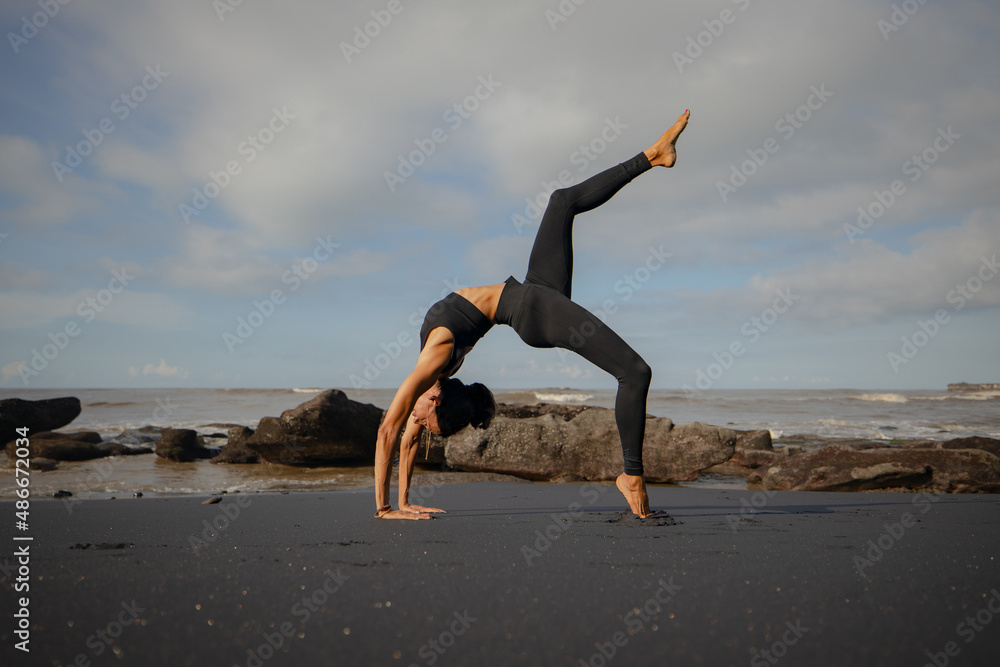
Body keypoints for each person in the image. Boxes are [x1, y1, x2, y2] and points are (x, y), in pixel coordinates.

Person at [373, 110, 691, 520]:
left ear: (433, 400)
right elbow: (407, 438)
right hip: (531, 311)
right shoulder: (436, 377)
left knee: (562, 201)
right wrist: (400, 504)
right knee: (636, 372)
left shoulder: (434, 361)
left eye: (423, 421)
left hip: (534, 293)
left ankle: (653, 154)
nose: (416, 425)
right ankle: (632, 477)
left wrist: (387, 507)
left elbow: (390, 431)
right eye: (427, 425)